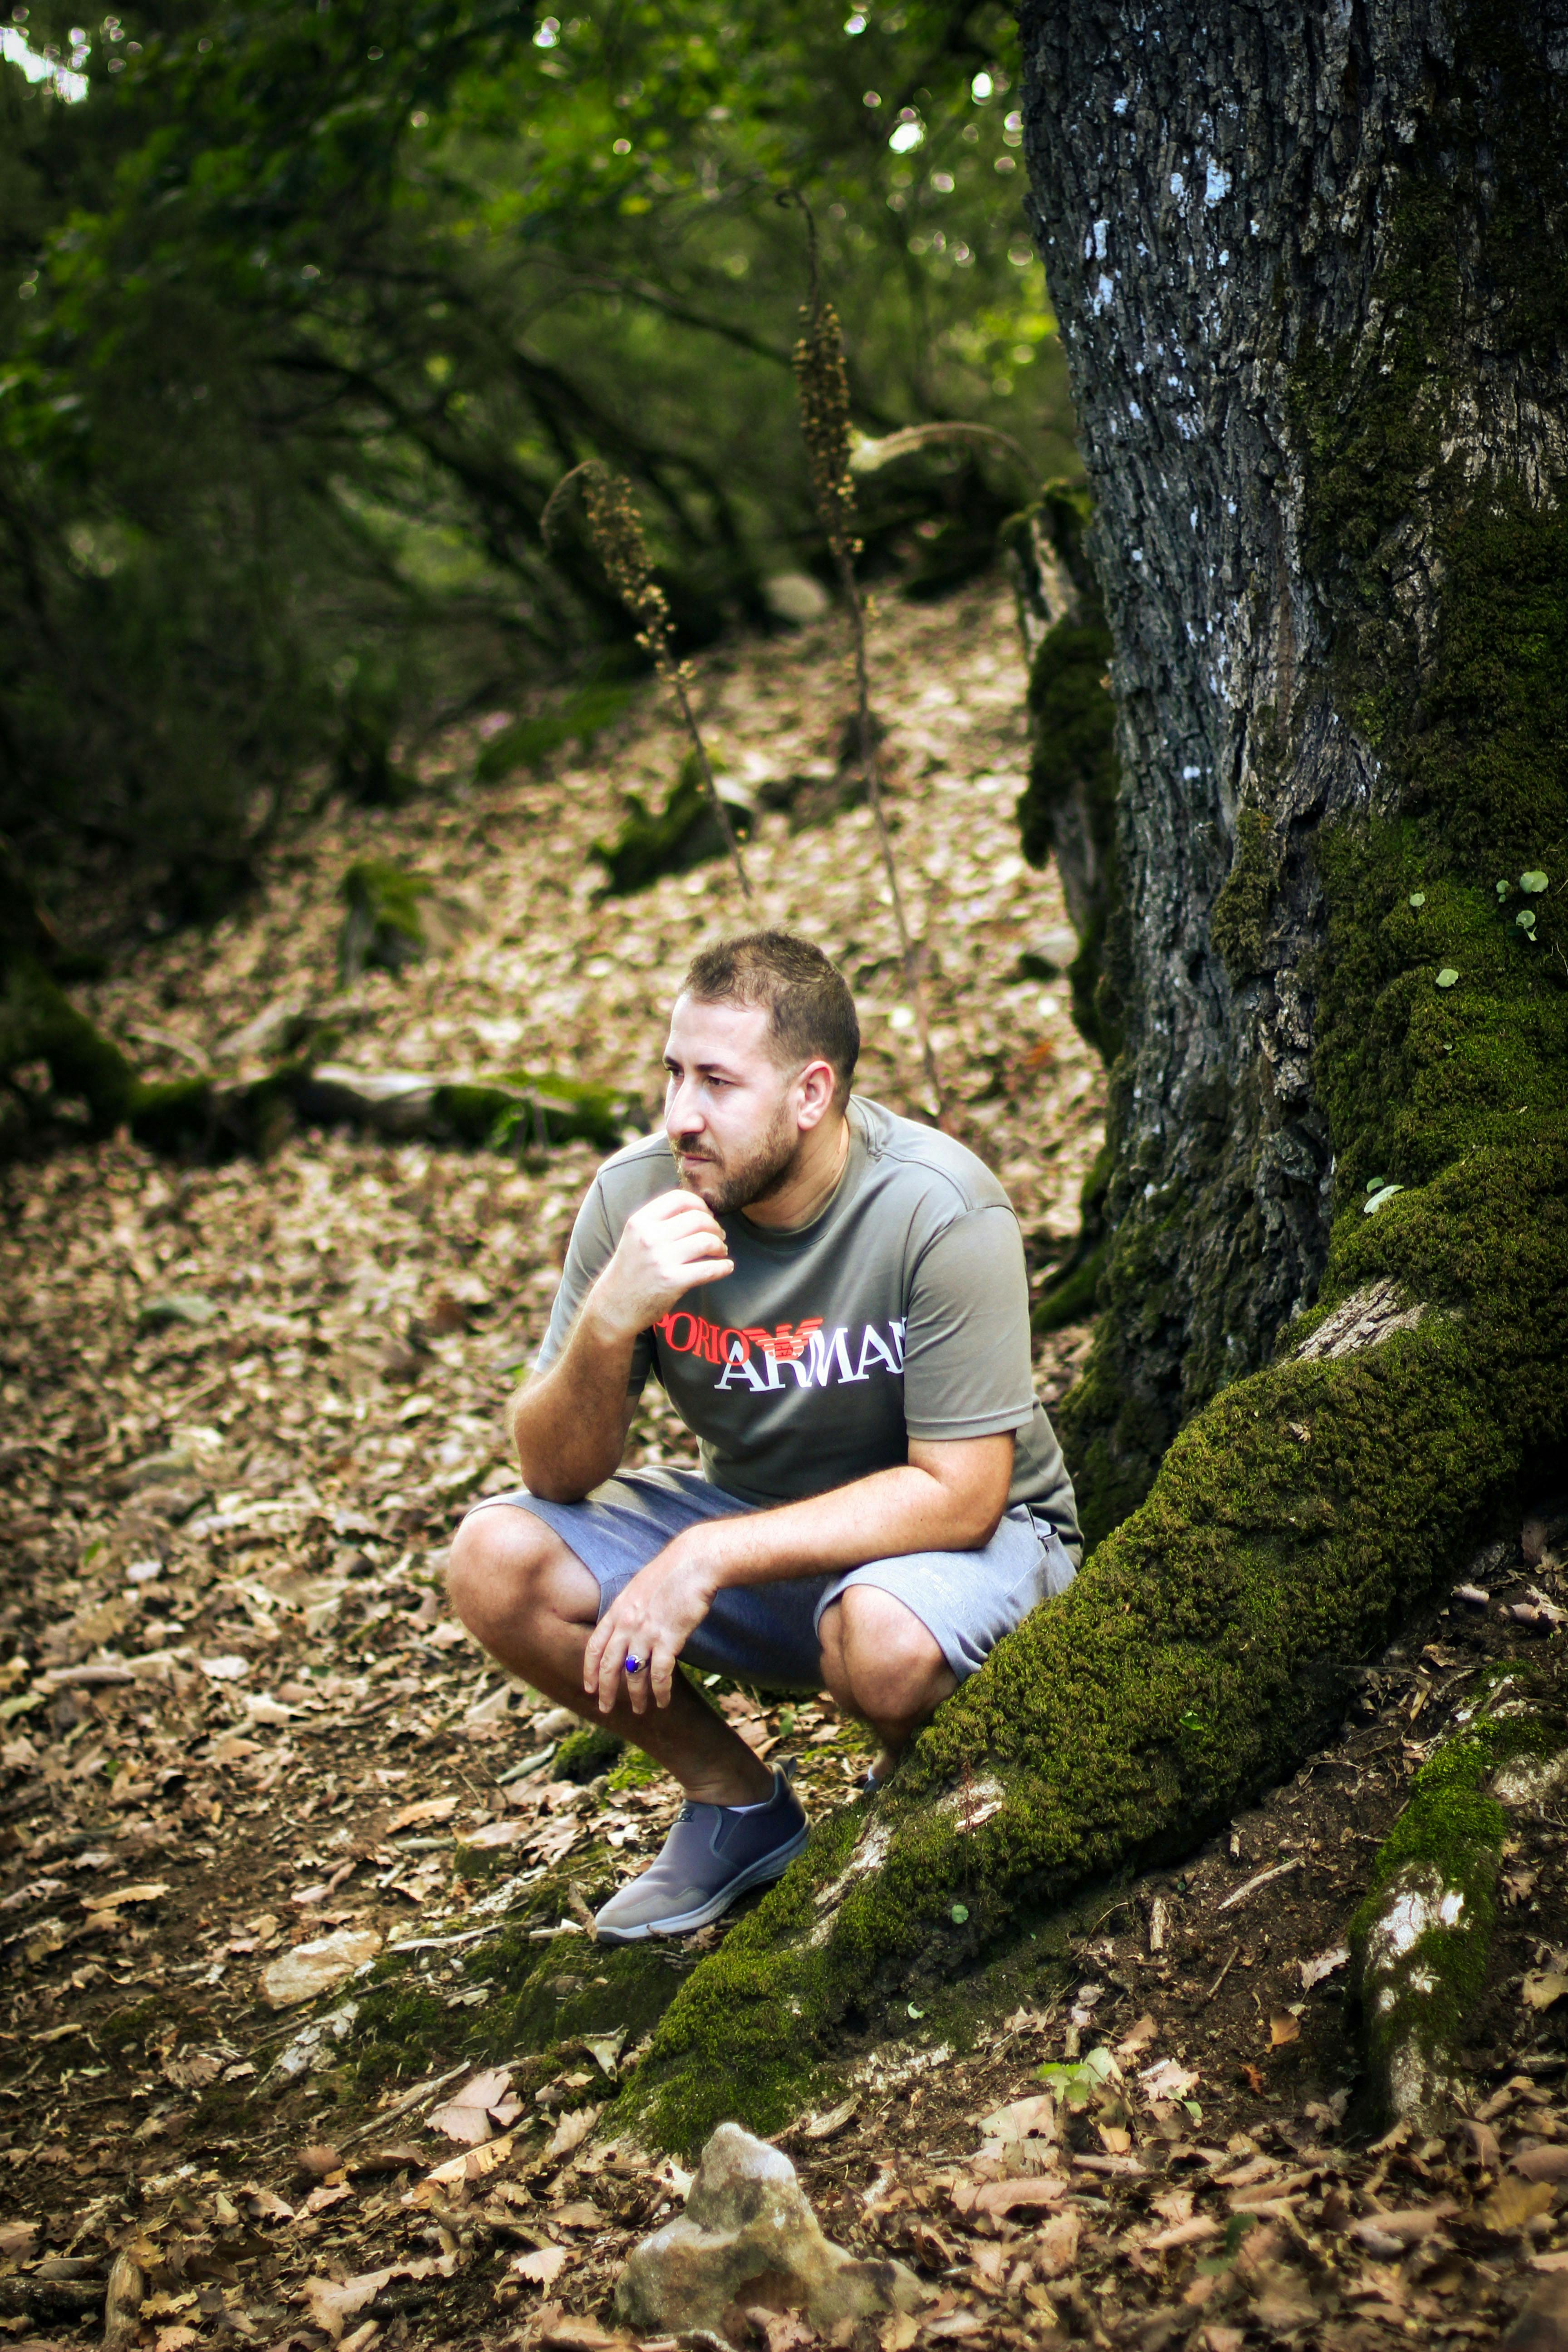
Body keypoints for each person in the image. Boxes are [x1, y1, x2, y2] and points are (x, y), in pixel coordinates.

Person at [446, 929, 1080, 1943]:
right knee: (494, 1560)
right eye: (673, 1074)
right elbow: (556, 1472)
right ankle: (736, 1805)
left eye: (717, 1082)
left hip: (972, 1546)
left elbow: (962, 1496)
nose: (680, 1115)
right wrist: (610, 1320)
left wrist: (708, 1555)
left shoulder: (939, 1207)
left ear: (811, 1093)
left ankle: (927, 1778)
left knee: (881, 1641)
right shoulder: (638, 1197)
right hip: (770, 1548)